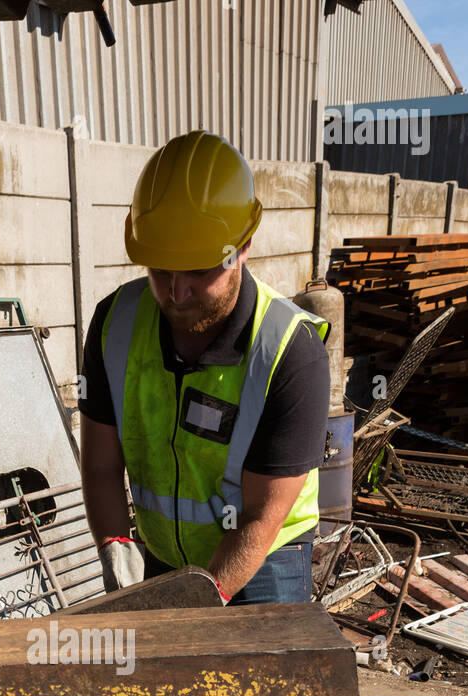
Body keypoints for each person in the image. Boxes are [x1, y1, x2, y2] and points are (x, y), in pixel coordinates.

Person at [79, 129, 332, 604]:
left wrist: (196, 607)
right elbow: (100, 464)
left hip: (264, 557)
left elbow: (260, 516)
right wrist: (115, 546)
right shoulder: (115, 325)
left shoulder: (289, 351)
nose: (177, 295)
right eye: (160, 270)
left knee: (255, 678)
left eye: (199, 271)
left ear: (244, 246)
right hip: (162, 553)